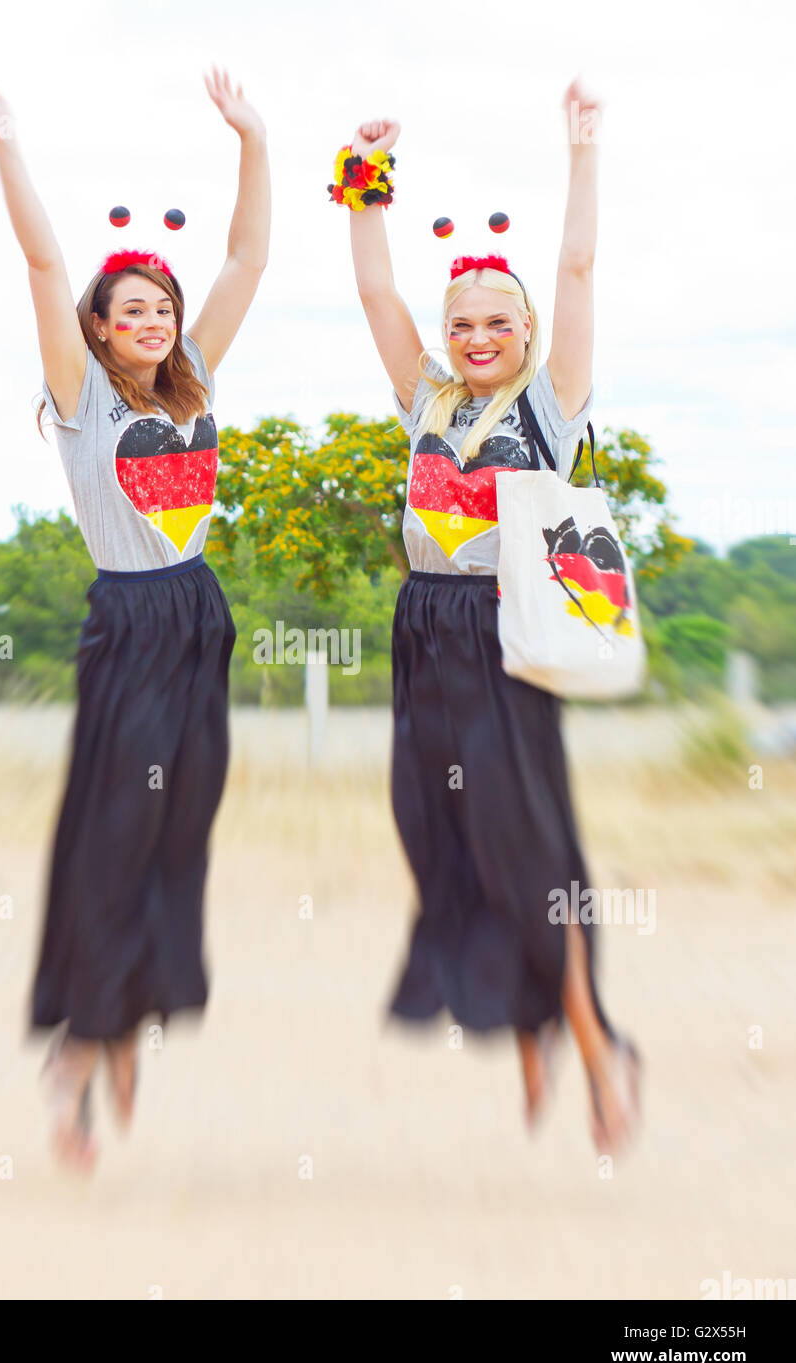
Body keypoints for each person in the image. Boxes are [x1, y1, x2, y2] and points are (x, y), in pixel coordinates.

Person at [0, 68, 270, 1172]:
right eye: (129, 307)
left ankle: (129, 1015)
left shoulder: (197, 387)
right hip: (129, 629)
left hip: (199, 618)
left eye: (160, 309)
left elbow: (246, 259)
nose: (150, 319)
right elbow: (41, 259)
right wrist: (5, 141)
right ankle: (79, 1050)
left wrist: (253, 137)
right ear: (98, 323)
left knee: (179, 838)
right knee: (115, 837)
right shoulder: (83, 400)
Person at [337, 79, 641, 1156]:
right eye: (461, 323)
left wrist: (582, 147)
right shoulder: (425, 397)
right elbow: (378, 296)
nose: (473, 337)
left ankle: (590, 1030)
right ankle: (526, 1022)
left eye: (494, 323)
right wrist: (366, 177)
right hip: (423, 637)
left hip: (507, 645)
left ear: (525, 333)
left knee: (527, 845)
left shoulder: (550, 408)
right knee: (444, 842)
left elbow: (578, 268)